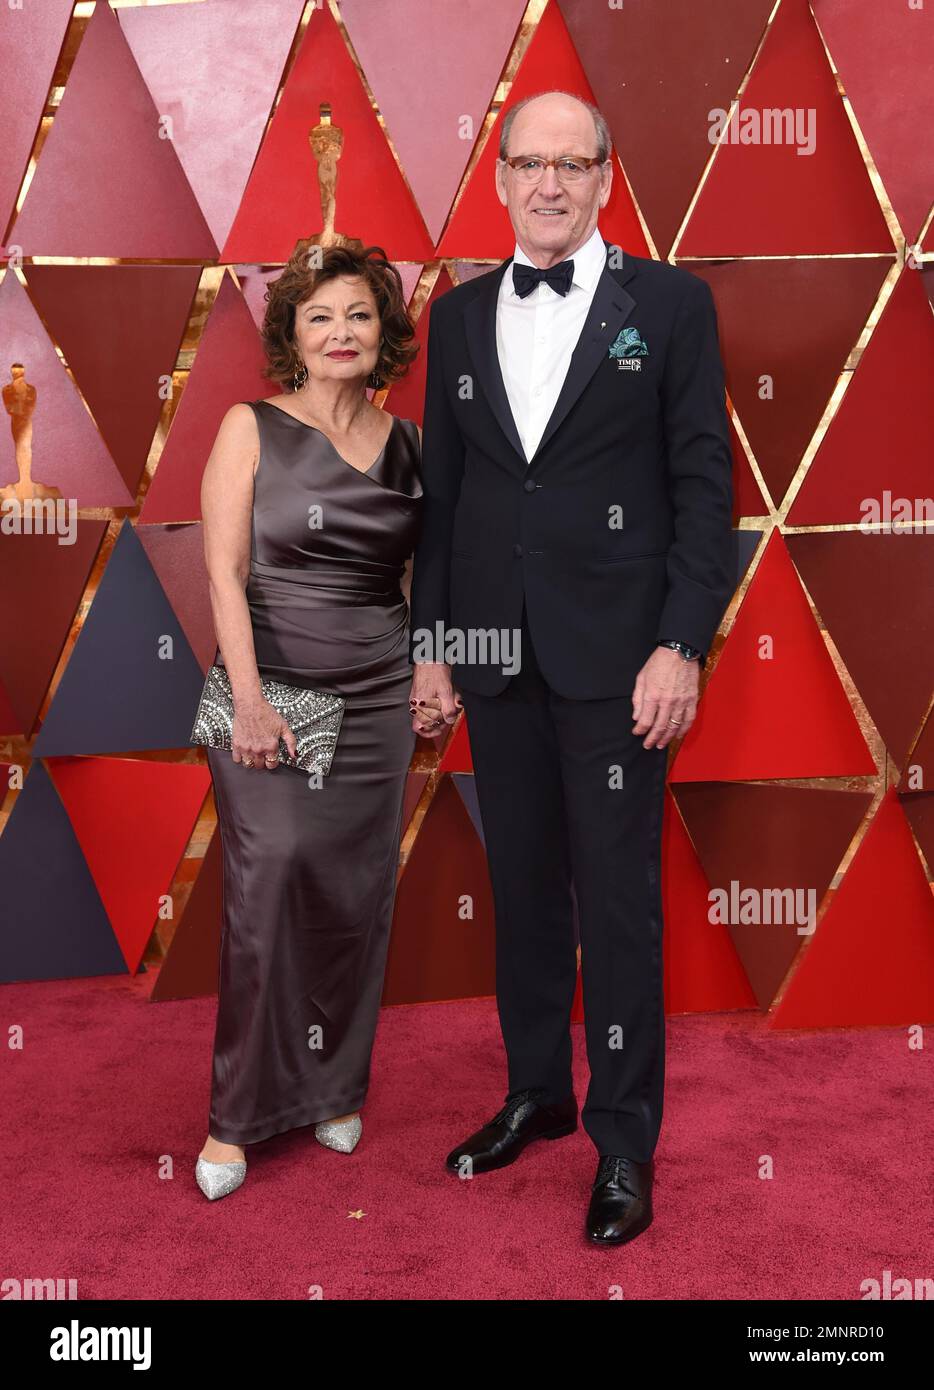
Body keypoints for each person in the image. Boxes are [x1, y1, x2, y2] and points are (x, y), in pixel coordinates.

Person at [409, 90, 734, 1245]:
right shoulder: (454, 317)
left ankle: (623, 1142)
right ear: (498, 178)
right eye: (528, 164)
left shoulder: (674, 305)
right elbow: (445, 499)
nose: (549, 184)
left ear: (605, 175)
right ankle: (536, 1093)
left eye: (572, 164)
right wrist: (436, 646)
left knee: (617, 906)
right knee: (527, 897)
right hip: (495, 654)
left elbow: (706, 492)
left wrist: (680, 642)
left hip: (620, 662)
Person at [195, 241, 432, 1200]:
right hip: (271, 685)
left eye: (359, 316)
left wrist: (429, 668)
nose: (341, 333)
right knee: (271, 882)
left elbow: (423, 578)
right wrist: (248, 699)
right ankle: (235, 1121)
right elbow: (223, 572)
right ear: (293, 334)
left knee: (354, 892)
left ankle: (335, 1083)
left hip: (377, 692)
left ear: (385, 335)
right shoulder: (249, 427)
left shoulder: (412, 445)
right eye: (320, 317)